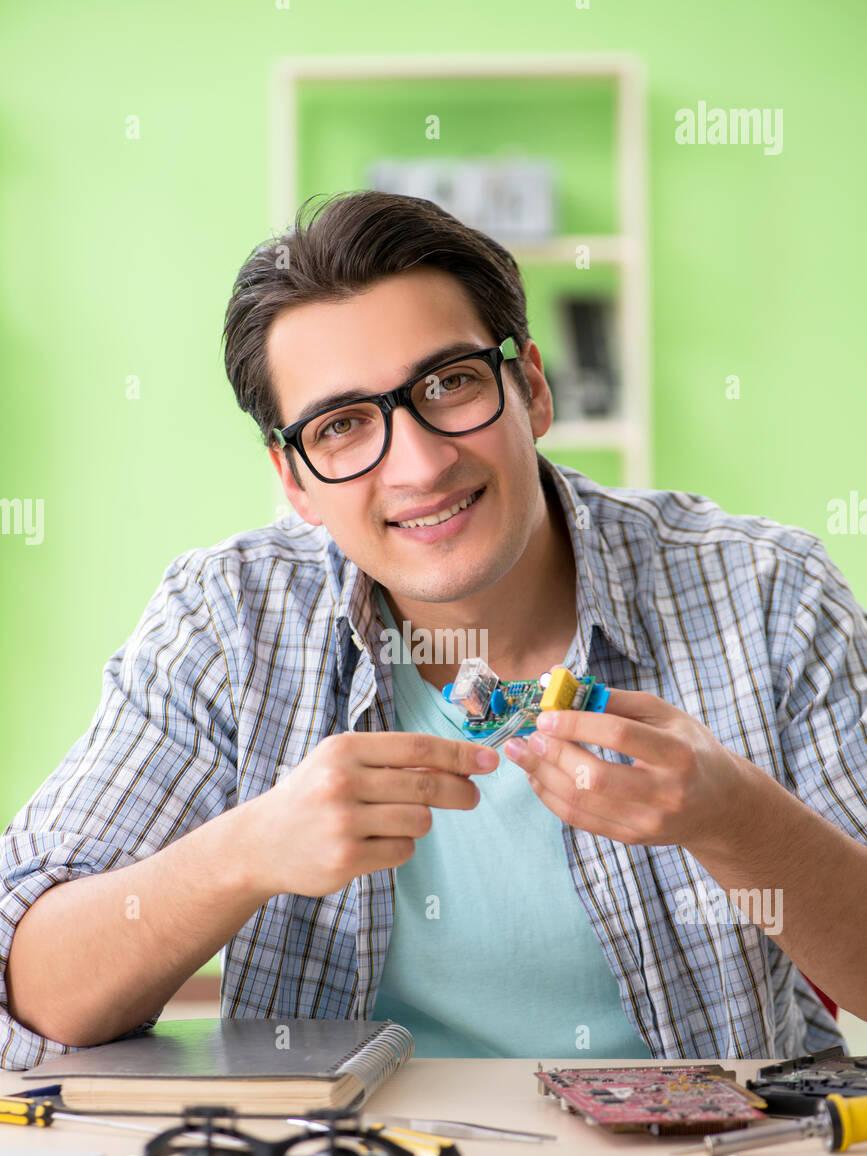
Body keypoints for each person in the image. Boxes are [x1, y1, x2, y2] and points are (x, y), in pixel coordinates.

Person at [2, 190, 865, 1069]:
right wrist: (247, 851)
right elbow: (35, 993)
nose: (419, 465)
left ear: (530, 387)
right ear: (294, 481)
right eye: (341, 426)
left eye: (449, 383)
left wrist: (734, 821)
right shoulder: (227, 620)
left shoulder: (766, 594)